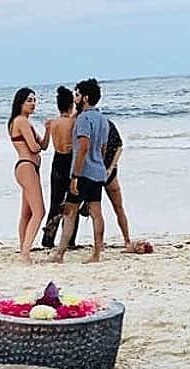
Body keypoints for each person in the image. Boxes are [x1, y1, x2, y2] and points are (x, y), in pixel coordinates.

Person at [52, 78, 108, 263]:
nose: (74, 98)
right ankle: (96, 254)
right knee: (96, 211)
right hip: (98, 170)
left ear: (85, 97)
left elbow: (83, 147)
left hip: (84, 172)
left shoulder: (84, 119)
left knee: (70, 212)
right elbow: (103, 149)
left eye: (77, 95)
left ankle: (59, 254)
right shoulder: (102, 119)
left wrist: (75, 176)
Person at [8, 87, 50, 263]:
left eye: (34, 100)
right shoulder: (21, 122)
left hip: (28, 167)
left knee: (26, 213)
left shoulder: (25, 122)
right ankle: (25, 253)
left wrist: (48, 130)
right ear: (20, 102)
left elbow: (44, 146)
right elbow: (34, 147)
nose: (33, 103)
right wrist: (38, 145)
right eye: (29, 100)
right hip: (26, 166)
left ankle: (23, 248)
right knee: (39, 211)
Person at [100, 119, 153, 254]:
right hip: (110, 171)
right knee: (118, 207)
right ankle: (127, 239)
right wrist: (112, 167)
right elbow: (119, 146)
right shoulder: (108, 124)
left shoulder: (88, 124)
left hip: (95, 171)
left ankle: (99, 243)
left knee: (96, 210)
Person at [41, 86, 78, 249]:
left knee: (55, 202)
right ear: (71, 105)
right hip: (70, 160)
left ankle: (48, 238)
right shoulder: (74, 122)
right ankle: (69, 240)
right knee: (72, 202)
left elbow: (47, 144)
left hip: (57, 160)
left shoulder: (53, 123)